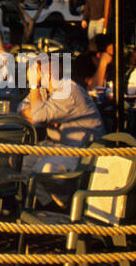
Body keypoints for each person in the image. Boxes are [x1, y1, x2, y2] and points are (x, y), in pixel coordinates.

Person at [18, 57, 103, 198]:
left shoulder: (69, 91)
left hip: (81, 149)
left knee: (43, 170)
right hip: (56, 146)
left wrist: (34, 87)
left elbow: (37, 115)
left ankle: (64, 203)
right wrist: (41, 115)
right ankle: (49, 204)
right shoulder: (44, 90)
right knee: (21, 164)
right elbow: (21, 108)